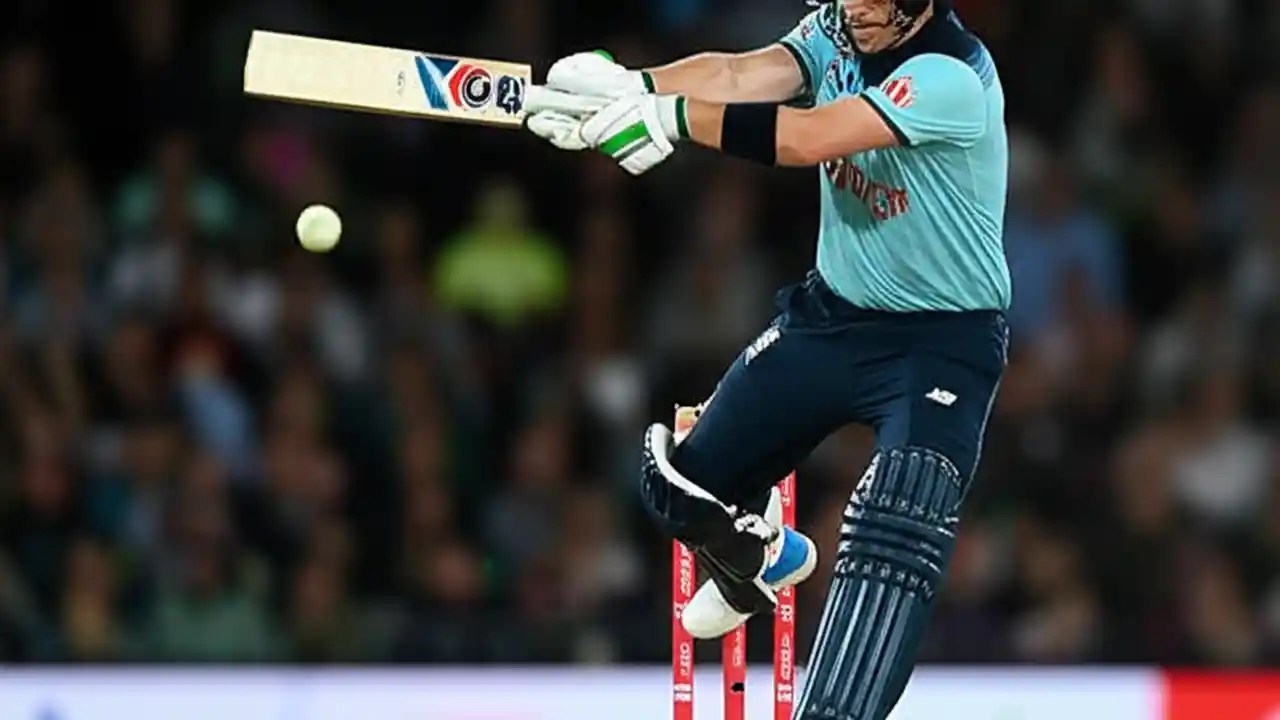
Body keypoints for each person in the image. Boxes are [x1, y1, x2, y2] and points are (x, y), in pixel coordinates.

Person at [525, 1, 1010, 717]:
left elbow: (810, 137)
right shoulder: (838, 29)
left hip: (941, 342)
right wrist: (636, 88)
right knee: (677, 484)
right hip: (833, 320)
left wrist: (673, 120)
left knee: (898, 515)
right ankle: (756, 561)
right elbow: (740, 72)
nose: (856, 11)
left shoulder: (951, 76)